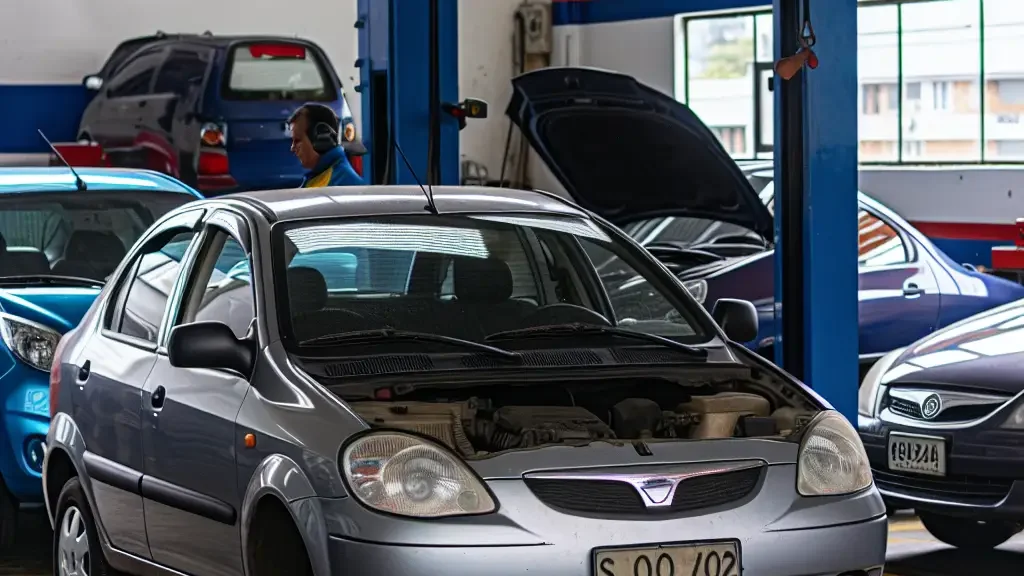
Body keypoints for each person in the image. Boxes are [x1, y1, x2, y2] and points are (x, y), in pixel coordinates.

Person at [288, 103, 364, 187]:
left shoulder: (343, 184)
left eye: (297, 140)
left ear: (321, 137)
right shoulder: (323, 176)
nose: (292, 148)